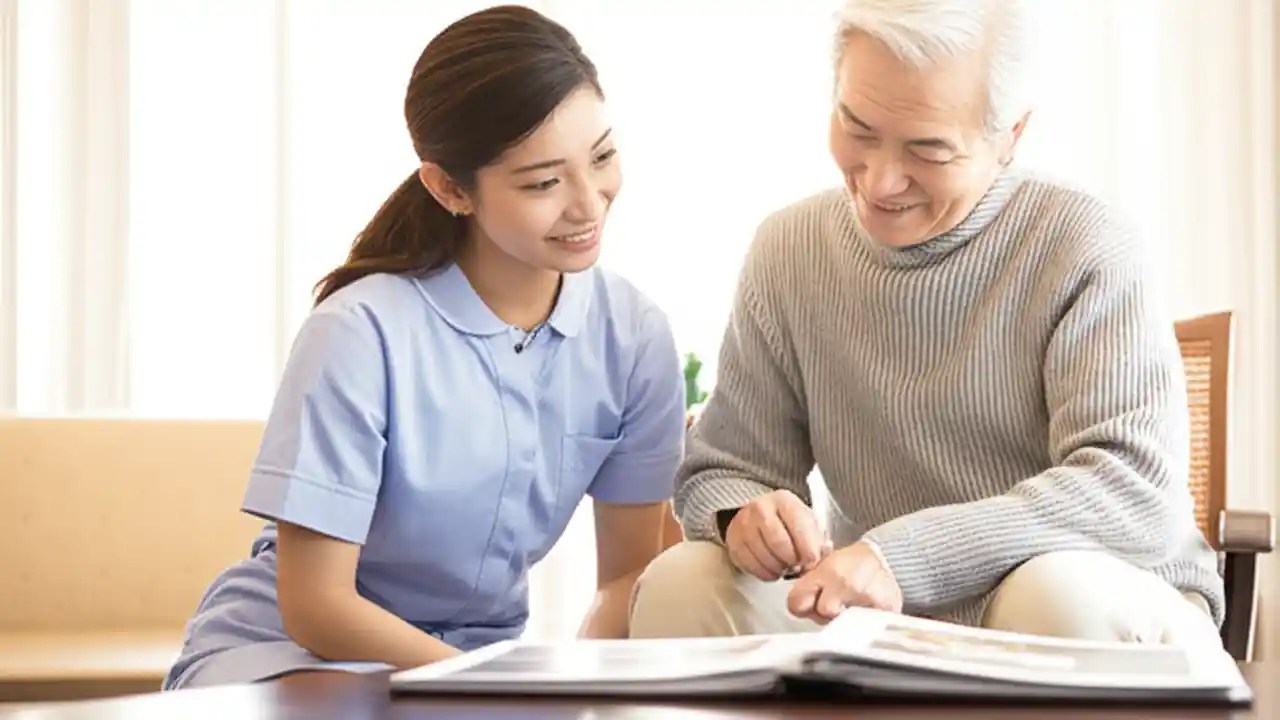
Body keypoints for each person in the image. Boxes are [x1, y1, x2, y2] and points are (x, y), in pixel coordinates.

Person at [628, 0, 1225, 653]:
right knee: (684, 582)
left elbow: (1128, 493)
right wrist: (745, 515)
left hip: (1107, 602)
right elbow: (726, 465)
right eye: (857, 128)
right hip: (885, 619)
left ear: (1012, 136)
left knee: (1052, 595)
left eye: (928, 149)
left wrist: (900, 555)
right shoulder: (788, 250)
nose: (881, 181)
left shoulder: (1085, 246)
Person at [163, 4, 685, 690]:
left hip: (473, 673)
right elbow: (316, 605)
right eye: (543, 182)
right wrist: (501, 684)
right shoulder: (359, 333)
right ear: (448, 188)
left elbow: (626, 577)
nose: (589, 203)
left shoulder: (633, 337)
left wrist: (581, 684)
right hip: (288, 657)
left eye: (603, 157)